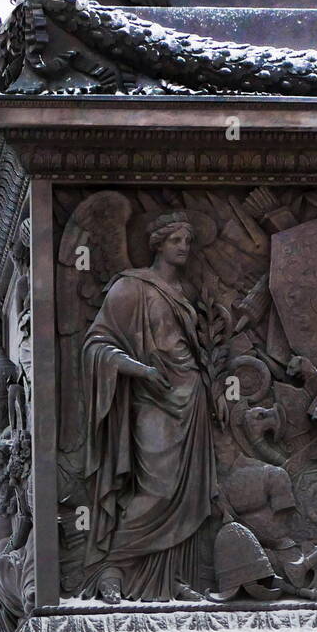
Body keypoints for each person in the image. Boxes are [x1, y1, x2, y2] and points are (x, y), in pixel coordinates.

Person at [81, 213, 218, 601]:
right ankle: (112, 565)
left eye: (188, 241)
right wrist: (139, 371)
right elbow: (96, 345)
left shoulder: (185, 292)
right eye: (177, 240)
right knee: (157, 488)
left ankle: (168, 579)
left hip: (190, 396)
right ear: (158, 243)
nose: (184, 247)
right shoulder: (131, 287)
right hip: (151, 398)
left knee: (188, 492)